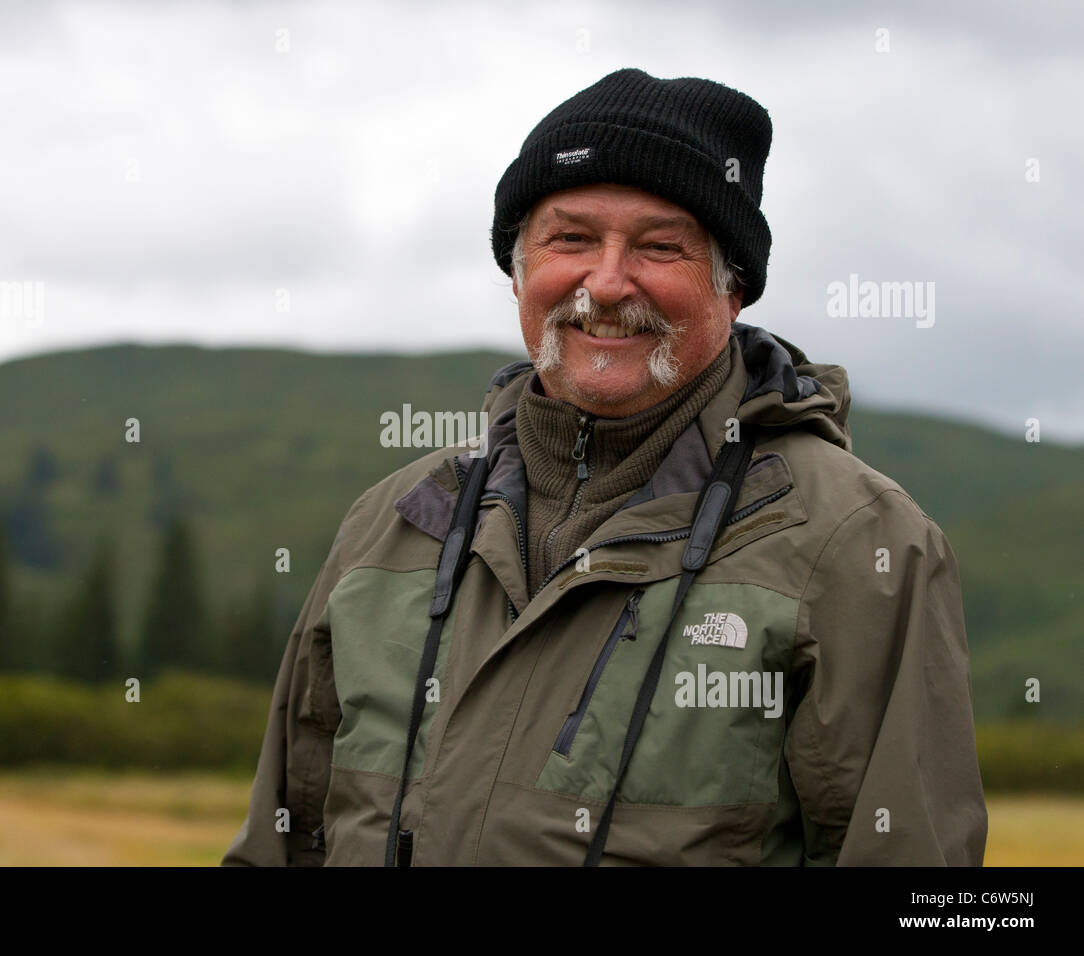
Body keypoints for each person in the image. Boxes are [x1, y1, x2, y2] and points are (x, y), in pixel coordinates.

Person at [222, 68, 987, 866]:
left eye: (660, 246)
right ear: (518, 272)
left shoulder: (857, 544)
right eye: (571, 239)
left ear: (733, 292)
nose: (608, 284)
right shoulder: (394, 521)